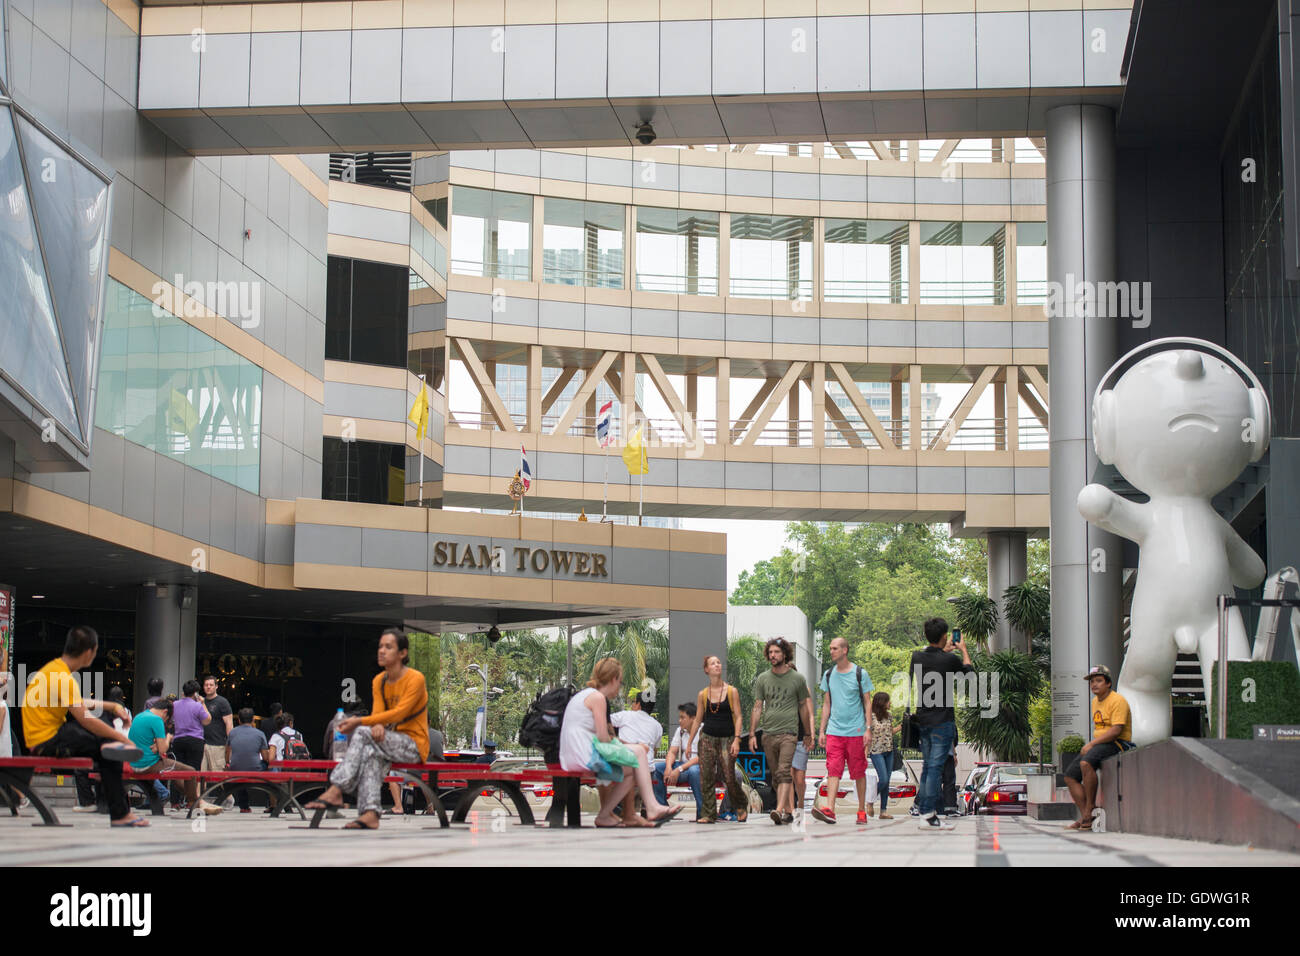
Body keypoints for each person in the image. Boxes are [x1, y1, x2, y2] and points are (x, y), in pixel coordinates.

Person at [305, 628, 431, 830]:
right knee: (371, 753)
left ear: (402, 653)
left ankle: (337, 788)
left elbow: (399, 713)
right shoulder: (379, 681)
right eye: (380, 646)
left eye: (388, 647)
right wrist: (377, 726)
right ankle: (370, 814)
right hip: (388, 743)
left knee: (362, 731)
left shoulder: (415, 679)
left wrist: (358, 722)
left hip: (414, 746)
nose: (382, 651)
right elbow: (379, 714)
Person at [23, 626, 146, 827]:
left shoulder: (53, 670)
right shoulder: (63, 678)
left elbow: (78, 703)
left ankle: (120, 811)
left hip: (47, 736)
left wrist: (112, 706)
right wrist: (122, 738)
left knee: (107, 747)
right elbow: (86, 719)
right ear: (89, 651)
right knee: (108, 745)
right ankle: (120, 813)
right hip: (47, 741)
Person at [558, 657, 681, 828]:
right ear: (614, 679)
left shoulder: (587, 695)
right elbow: (603, 737)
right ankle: (650, 807)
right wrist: (634, 747)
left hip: (574, 753)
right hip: (582, 755)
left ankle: (608, 814)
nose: (619, 687)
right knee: (637, 753)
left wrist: (629, 746)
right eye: (620, 682)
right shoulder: (598, 698)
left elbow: (605, 736)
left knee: (632, 767)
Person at [910, 618, 972, 830]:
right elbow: (969, 676)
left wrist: (943, 651)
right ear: (945, 636)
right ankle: (928, 814)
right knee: (936, 768)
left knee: (928, 767)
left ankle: (927, 812)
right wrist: (962, 649)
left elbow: (931, 661)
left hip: (923, 720)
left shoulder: (917, 657)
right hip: (942, 721)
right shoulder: (950, 660)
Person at [749, 637, 812, 825]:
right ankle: (788, 810)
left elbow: (804, 707)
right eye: (770, 652)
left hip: (789, 733)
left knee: (785, 771)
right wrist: (752, 733)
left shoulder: (798, 679)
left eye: (776, 652)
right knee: (777, 776)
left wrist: (808, 733)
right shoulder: (763, 678)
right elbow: (758, 706)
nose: (773, 655)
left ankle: (778, 809)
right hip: (768, 733)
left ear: (785, 654)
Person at [1065, 665, 1134, 831]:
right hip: (1101, 743)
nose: (1094, 685)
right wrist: (1093, 744)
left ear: (1108, 683)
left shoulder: (1118, 701)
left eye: (1098, 681)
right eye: (1092, 682)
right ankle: (1086, 816)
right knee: (1069, 776)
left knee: (1085, 763)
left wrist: (1091, 744)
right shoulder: (1095, 701)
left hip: (1119, 743)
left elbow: (1116, 730)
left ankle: (1090, 809)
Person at [813, 636, 873, 825]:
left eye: (835, 648)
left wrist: (868, 729)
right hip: (834, 732)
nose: (831, 651)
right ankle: (830, 809)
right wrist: (822, 730)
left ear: (845, 650)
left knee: (858, 772)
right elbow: (827, 704)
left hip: (855, 731)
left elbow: (867, 701)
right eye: (830, 648)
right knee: (833, 770)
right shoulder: (829, 674)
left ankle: (861, 810)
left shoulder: (860, 673)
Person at [127, 698, 219, 815]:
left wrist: (157, 743)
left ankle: (197, 801)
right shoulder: (156, 720)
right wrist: (169, 738)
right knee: (190, 771)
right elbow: (163, 750)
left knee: (176, 776)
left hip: (135, 763)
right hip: (148, 764)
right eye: (167, 719)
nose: (165, 721)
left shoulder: (139, 716)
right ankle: (194, 803)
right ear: (165, 712)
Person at [686, 655, 747, 824]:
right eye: (713, 663)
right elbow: (698, 720)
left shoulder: (731, 691)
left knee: (729, 775)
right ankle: (708, 813)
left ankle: (741, 804)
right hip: (707, 738)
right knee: (706, 776)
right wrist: (690, 742)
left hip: (727, 739)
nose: (717, 665)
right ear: (706, 669)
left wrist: (737, 739)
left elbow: (739, 716)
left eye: (718, 662)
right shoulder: (703, 694)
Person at [611, 686, 664, 824]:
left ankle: (617, 810)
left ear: (638, 704)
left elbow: (605, 721)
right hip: (648, 771)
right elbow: (655, 751)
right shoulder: (657, 726)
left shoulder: (625, 715)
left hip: (625, 770)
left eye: (634, 702)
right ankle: (647, 808)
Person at [654, 701, 704, 817]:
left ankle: (702, 813)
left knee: (694, 771)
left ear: (693, 718)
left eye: (683, 717)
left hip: (698, 769)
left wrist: (678, 770)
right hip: (682, 767)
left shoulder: (703, 731)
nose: (679, 721)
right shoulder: (680, 731)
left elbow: (701, 758)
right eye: (679, 717)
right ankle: (663, 809)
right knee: (656, 769)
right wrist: (668, 768)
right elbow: (672, 751)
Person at [225, 707, 271, 813]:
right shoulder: (260, 734)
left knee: (240, 768)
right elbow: (265, 757)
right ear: (253, 720)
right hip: (255, 769)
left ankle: (244, 806)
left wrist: (227, 763)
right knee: (265, 765)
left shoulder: (232, 733)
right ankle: (270, 802)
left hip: (236, 768)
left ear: (239, 720)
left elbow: (227, 752)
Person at [868, 692, 900, 819]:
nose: (890, 703)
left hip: (889, 751)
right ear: (882, 702)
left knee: (887, 782)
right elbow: (867, 734)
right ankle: (870, 801)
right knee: (884, 779)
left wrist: (900, 727)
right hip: (876, 752)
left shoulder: (889, 716)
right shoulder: (870, 716)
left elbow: (890, 732)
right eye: (888, 701)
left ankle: (883, 811)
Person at [170, 679, 211, 777]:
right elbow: (207, 720)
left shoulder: (174, 705)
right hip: (195, 741)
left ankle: (177, 792)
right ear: (195, 693)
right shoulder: (198, 706)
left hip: (178, 740)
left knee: (178, 771)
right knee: (193, 771)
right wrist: (203, 703)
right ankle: (191, 792)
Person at [201, 676, 233, 771]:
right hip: (201, 744)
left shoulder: (222, 702)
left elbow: (229, 723)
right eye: (206, 685)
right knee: (200, 777)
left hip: (218, 744)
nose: (208, 687)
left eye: (211, 685)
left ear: (216, 686)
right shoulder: (200, 702)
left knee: (218, 776)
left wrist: (229, 743)